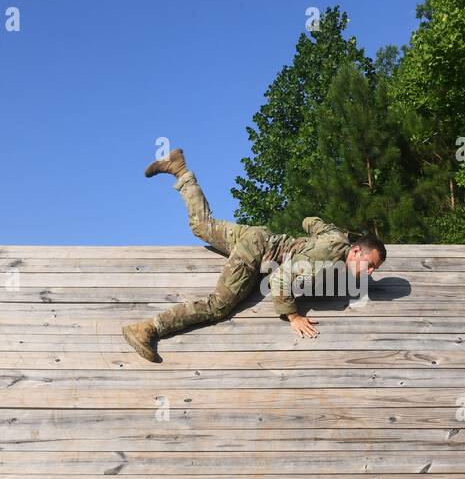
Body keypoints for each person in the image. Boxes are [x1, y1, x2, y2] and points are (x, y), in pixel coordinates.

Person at [120, 148, 386, 363]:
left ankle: (179, 168)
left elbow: (310, 221)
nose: (370, 273)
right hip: (256, 252)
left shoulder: (337, 238)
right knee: (218, 307)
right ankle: (147, 328)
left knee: (201, 226)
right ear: (355, 251)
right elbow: (280, 280)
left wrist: (308, 241)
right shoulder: (325, 263)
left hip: (259, 235)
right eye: (370, 265)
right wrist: (293, 316)